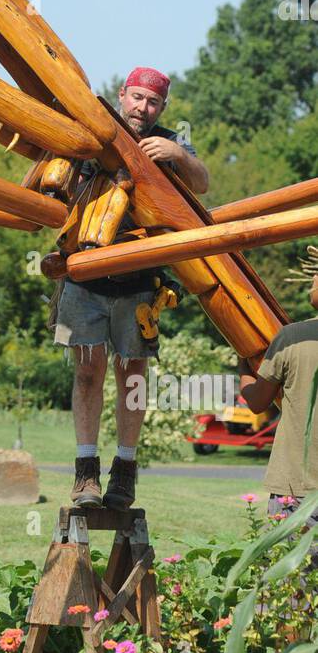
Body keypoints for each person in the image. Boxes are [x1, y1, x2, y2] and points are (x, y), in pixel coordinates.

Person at [53, 66, 209, 510]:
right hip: (84, 276)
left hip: (142, 282)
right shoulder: (93, 131)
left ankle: (124, 473)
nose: (143, 108)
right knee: (86, 373)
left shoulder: (169, 141)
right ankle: (86, 475)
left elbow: (201, 184)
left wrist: (178, 154)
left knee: (133, 377)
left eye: (153, 102)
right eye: (137, 98)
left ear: (162, 107)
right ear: (122, 95)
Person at [237, 265, 318, 534]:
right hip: (298, 487)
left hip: (296, 488)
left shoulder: (291, 338)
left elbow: (258, 401)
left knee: (293, 573)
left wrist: (244, 370)